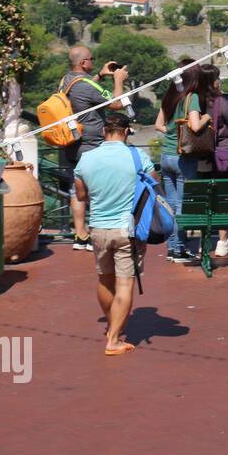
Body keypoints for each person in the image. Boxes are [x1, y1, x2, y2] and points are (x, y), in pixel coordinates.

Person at [72, 111, 151, 356]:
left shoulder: (86, 159)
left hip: (98, 228)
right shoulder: (138, 156)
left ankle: (111, 324)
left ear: (104, 131)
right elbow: (152, 187)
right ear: (126, 131)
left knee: (104, 279)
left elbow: (82, 195)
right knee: (124, 283)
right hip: (127, 230)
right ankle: (114, 339)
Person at [58, 45, 130, 252]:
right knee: (99, 189)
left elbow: (84, 94)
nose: (93, 61)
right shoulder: (86, 86)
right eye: (91, 59)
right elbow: (117, 104)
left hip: (72, 143)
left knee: (76, 190)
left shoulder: (66, 81)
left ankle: (80, 235)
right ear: (83, 63)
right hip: (91, 145)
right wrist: (118, 80)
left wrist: (99, 75)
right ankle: (99, 234)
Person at [154, 63, 210, 263]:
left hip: (166, 156)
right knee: (181, 207)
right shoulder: (191, 97)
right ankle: (178, 249)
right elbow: (195, 126)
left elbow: (158, 125)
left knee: (170, 205)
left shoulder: (169, 96)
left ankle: (171, 247)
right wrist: (207, 117)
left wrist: (172, 132)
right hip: (184, 158)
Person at [195, 64, 228, 258]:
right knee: (224, 199)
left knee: (205, 199)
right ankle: (222, 242)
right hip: (224, 156)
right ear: (214, 81)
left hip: (201, 156)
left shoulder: (194, 101)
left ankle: (203, 242)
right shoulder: (220, 102)